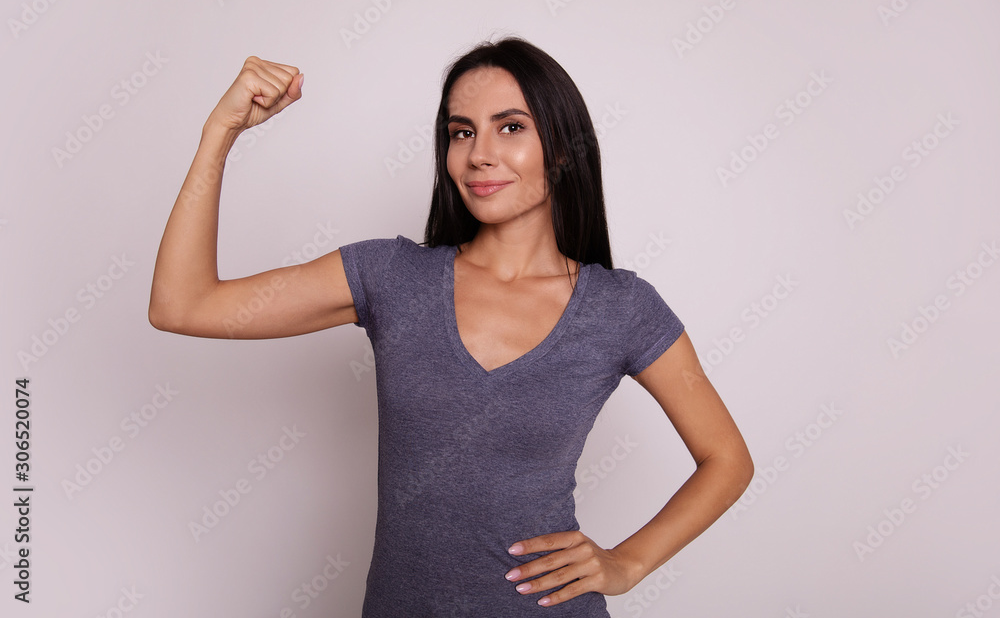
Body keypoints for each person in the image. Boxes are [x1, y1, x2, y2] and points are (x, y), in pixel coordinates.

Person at [149, 36, 754, 617]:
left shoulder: (621, 308)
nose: (479, 153)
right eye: (461, 132)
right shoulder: (391, 276)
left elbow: (727, 458)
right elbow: (183, 305)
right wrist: (220, 133)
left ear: (563, 149)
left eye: (510, 127)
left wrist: (627, 563)